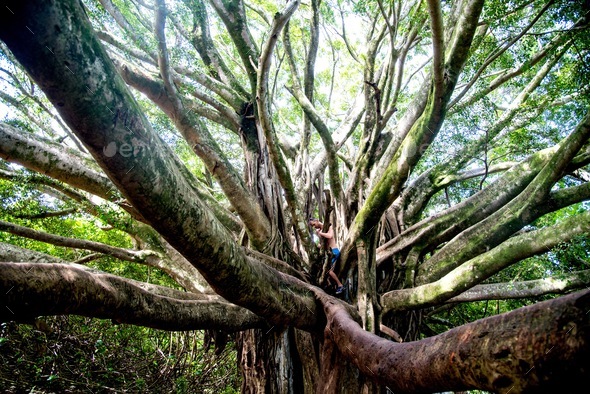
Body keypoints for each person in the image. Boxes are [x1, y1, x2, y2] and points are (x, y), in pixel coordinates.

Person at [309, 218, 344, 294]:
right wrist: (319, 246)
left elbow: (330, 236)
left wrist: (320, 233)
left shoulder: (328, 226)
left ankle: (340, 285)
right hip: (329, 253)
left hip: (334, 251)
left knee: (329, 271)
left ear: (317, 221)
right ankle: (330, 286)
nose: (314, 227)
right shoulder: (320, 230)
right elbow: (325, 244)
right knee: (323, 269)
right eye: (312, 226)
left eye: (314, 224)